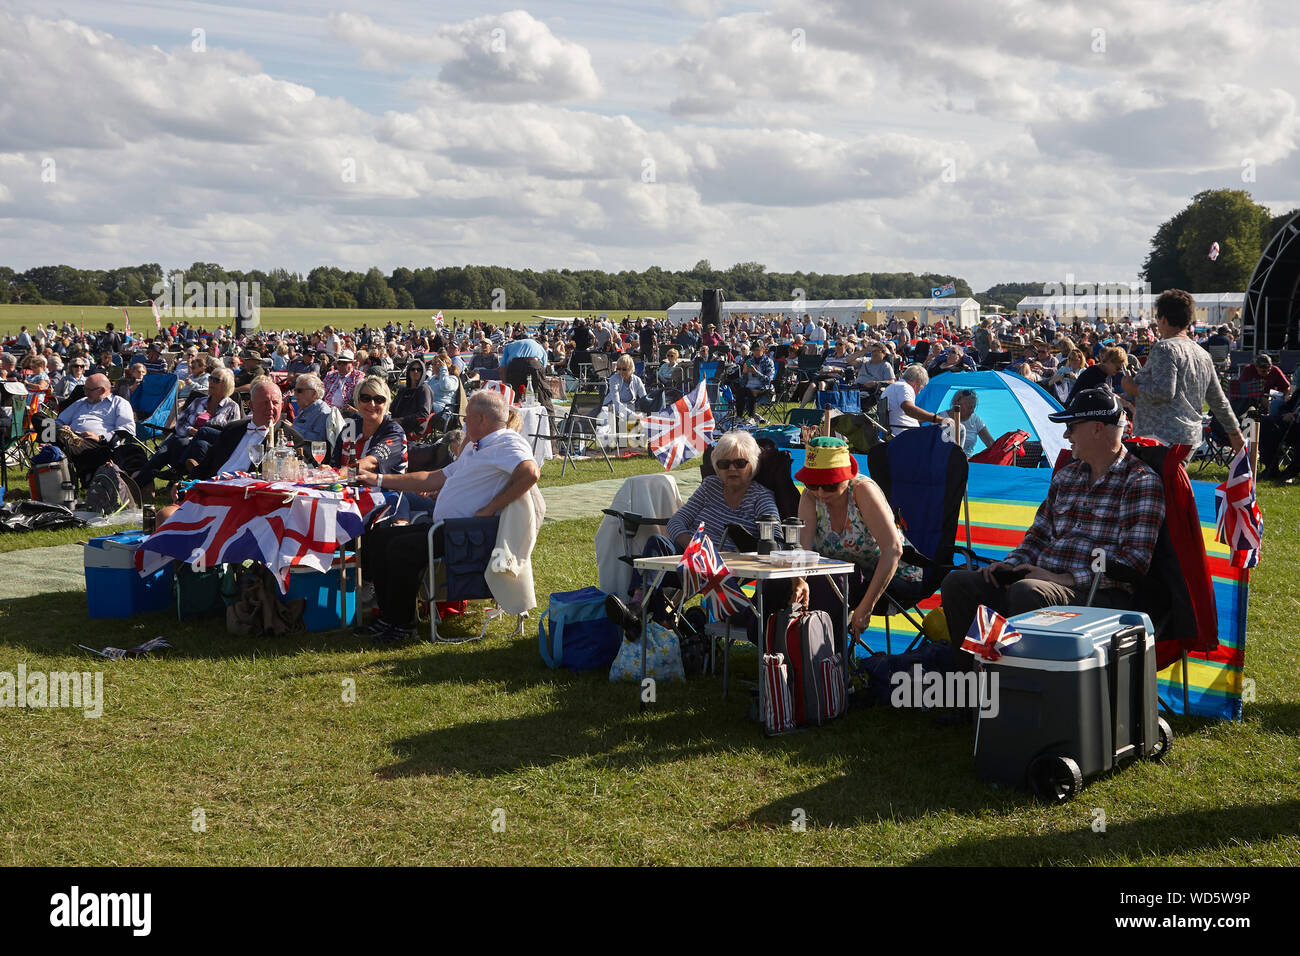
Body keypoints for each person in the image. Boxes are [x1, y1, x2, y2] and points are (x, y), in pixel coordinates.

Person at [940, 388, 1165, 674]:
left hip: (1098, 594)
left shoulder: (1140, 481)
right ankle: (974, 690)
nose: (1066, 435)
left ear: (1097, 429)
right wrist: (1007, 567)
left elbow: (1132, 563)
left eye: (1071, 427)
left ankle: (1024, 693)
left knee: (1028, 592)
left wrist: (1063, 578)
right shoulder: (1068, 475)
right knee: (960, 584)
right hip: (1043, 582)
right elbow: (1038, 536)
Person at [354, 390, 540, 643]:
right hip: (448, 528)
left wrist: (490, 507)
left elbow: (530, 473)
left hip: (467, 533)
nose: (463, 422)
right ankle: (389, 617)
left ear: (482, 419)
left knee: (401, 547)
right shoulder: (478, 447)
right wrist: (379, 479)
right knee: (379, 537)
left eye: (467, 418)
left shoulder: (506, 441)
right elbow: (434, 477)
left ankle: (403, 624)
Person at [606, 431, 782, 632]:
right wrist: (694, 546)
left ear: (752, 465)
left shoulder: (761, 497)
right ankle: (640, 606)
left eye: (740, 463)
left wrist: (712, 555)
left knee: (654, 567)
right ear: (717, 467)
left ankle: (648, 616)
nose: (732, 469)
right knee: (658, 542)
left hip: (720, 572)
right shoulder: (710, 486)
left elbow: (774, 536)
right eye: (724, 464)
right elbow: (676, 522)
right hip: (688, 560)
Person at [776, 437, 923, 650]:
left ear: (847, 477)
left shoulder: (862, 491)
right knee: (783, 583)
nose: (820, 493)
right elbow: (803, 550)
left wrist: (866, 607)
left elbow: (893, 550)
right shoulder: (810, 496)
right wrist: (799, 580)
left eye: (829, 486)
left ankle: (824, 663)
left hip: (894, 576)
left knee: (828, 587)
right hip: (843, 575)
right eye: (813, 484)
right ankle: (783, 655)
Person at [1122, 289, 1243, 460]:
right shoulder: (1202, 354)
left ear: (1163, 320)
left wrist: (1132, 387)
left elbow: (1163, 391)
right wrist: (1235, 433)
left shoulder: (1165, 349)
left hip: (1159, 439)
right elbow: (1218, 400)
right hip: (1189, 439)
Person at [134, 367, 239, 489]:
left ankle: (175, 473)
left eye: (216, 380)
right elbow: (180, 423)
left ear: (226, 385)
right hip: (185, 438)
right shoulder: (198, 401)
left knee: (185, 443)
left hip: (210, 446)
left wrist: (196, 436)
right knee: (166, 449)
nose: (211, 382)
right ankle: (138, 485)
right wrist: (190, 430)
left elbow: (231, 435)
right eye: (210, 378)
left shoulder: (232, 407)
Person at [189, 379, 302, 479]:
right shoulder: (233, 429)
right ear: (251, 406)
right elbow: (208, 463)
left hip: (249, 495)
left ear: (282, 406)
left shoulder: (290, 438)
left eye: (275, 403)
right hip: (214, 486)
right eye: (265, 403)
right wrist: (186, 483)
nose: (270, 408)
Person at [329, 375, 407, 475]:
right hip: (345, 487)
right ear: (358, 401)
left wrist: (337, 474)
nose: (372, 404)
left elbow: (371, 463)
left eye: (379, 399)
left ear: (386, 403)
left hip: (383, 489)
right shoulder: (350, 427)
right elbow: (334, 464)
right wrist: (326, 472)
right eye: (366, 398)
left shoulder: (394, 432)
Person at [880, 364, 945, 434]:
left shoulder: (894, 387)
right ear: (917, 382)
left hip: (899, 432)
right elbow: (909, 409)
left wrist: (927, 417)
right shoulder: (905, 387)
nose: (919, 393)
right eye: (921, 388)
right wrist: (937, 418)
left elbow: (900, 414)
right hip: (904, 434)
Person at [944, 388, 993, 457]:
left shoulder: (975, 419)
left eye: (974, 407)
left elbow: (990, 442)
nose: (972, 411)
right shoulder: (941, 418)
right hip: (945, 460)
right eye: (969, 407)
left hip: (969, 462)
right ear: (957, 403)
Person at [391, 360, 434, 434]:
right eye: (412, 369)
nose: (415, 372)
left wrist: (401, 420)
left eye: (419, 370)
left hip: (412, 427)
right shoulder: (403, 389)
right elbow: (392, 407)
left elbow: (424, 414)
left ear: (423, 372)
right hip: (396, 424)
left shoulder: (424, 389)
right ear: (408, 371)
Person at [735, 342, 775, 420]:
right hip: (748, 386)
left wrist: (756, 373)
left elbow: (768, 380)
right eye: (753, 350)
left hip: (763, 388)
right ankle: (739, 416)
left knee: (750, 392)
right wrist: (744, 373)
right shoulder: (749, 361)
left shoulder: (768, 362)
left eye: (757, 350)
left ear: (763, 349)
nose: (755, 352)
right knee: (740, 391)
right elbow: (742, 382)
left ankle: (751, 417)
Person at [290, 373, 332, 443]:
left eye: (299, 391)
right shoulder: (306, 408)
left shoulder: (323, 413)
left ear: (314, 394)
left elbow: (319, 440)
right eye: (295, 390)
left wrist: (293, 429)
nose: (295, 394)